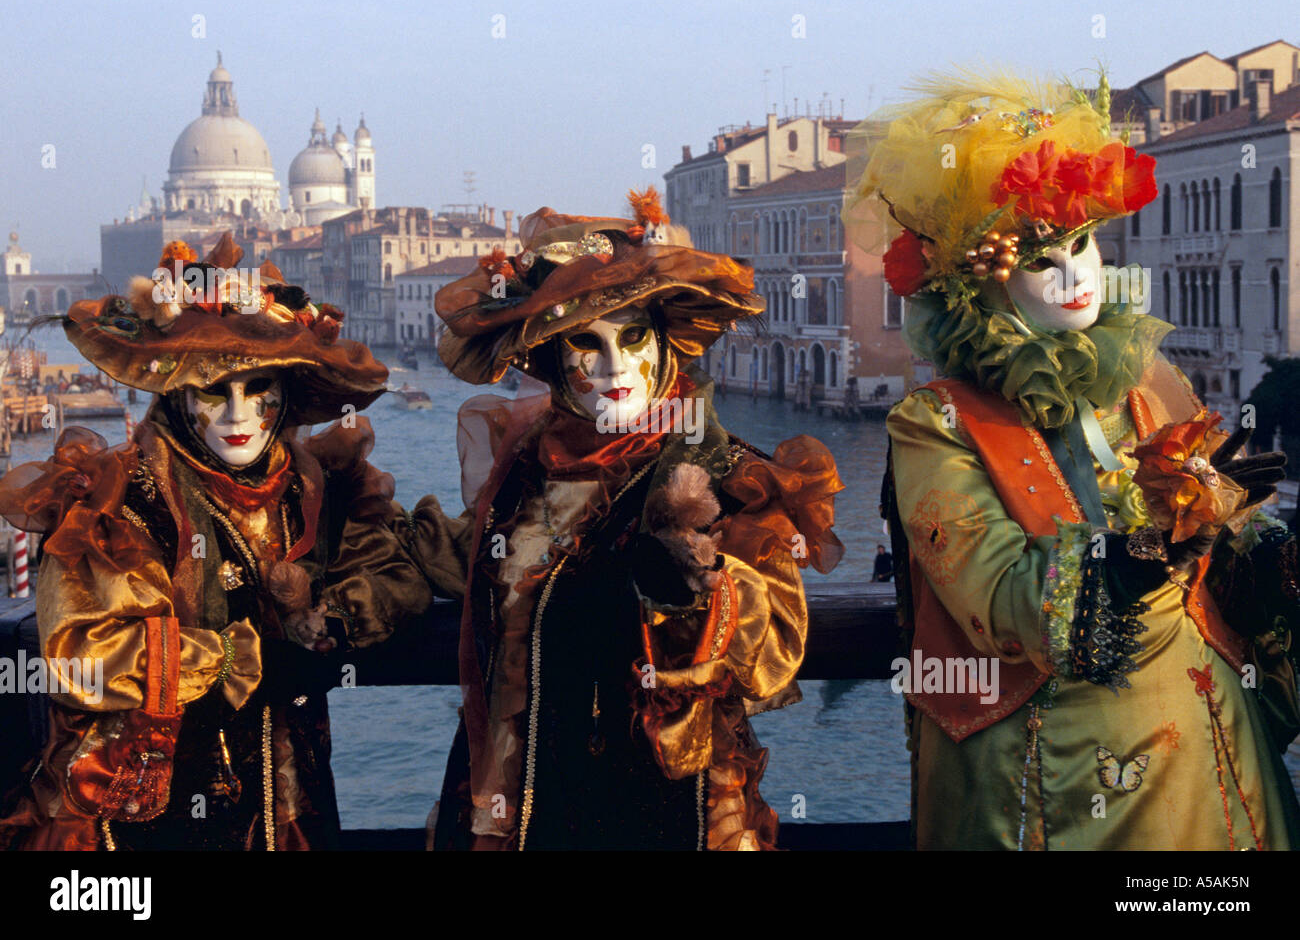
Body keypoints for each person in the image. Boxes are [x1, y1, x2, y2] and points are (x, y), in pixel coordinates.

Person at [847, 71, 1300, 849]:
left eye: (1083, 242)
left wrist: (1256, 543)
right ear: (973, 282)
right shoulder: (936, 425)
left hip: (1205, 746)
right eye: (1039, 256)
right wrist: (1143, 542)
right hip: (1056, 773)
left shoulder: (1149, 381)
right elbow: (997, 600)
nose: (1076, 274)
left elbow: (1226, 541)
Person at [415, 189, 844, 850]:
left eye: (633, 336)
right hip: (541, 800)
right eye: (587, 344)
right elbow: (476, 572)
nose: (616, 368)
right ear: (556, 360)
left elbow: (773, 656)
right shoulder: (526, 473)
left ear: (666, 340)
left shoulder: (728, 475)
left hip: (671, 804)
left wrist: (697, 585)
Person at [0, 234, 442, 850]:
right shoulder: (120, 498)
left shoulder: (309, 484)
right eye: (213, 390)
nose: (237, 417)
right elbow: (83, 651)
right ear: (178, 395)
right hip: (153, 804)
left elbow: (395, 573)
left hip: (287, 786)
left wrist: (328, 616)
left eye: (257, 389)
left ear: (286, 392)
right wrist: (230, 656)